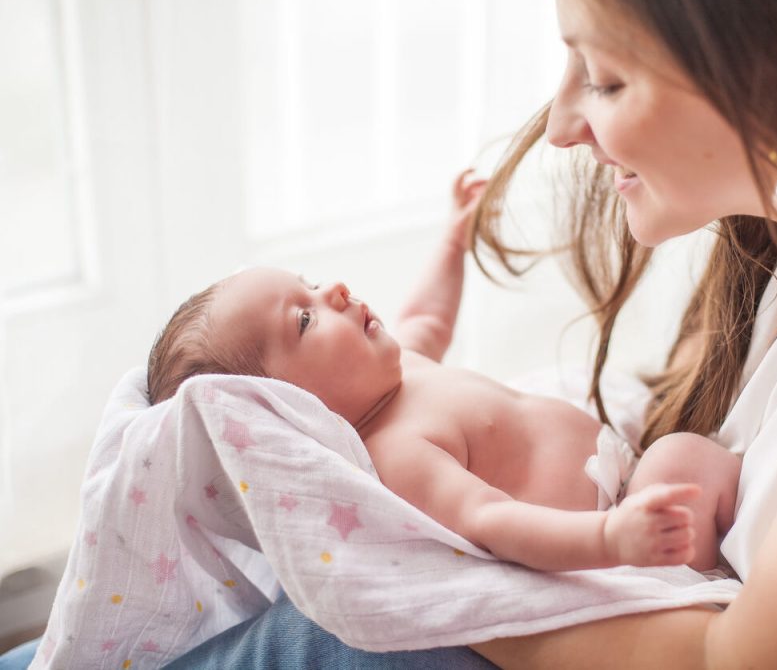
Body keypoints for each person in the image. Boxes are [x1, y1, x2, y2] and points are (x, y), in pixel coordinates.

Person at [13, 0, 777, 667]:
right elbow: (487, 521)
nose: (565, 125)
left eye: (606, 77)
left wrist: (416, 602)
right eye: (307, 318)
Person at [145, 169, 741, 574]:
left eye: (311, 281)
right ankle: (727, 577)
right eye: (303, 318)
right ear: (287, 409)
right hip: (601, 531)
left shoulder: (400, 375)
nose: (334, 291)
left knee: (683, 458)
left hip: (620, 481)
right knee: (682, 461)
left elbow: (426, 315)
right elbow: (491, 520)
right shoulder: (397, 453)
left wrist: (452, 242)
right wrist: (612, 540)